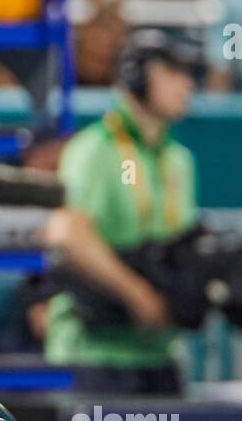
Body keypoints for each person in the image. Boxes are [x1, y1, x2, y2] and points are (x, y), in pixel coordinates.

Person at [42, 31, 201, 395]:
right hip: (93, 356)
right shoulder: (95, 149)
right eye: (173, 73)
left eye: (190, 74)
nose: (187, 85)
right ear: (136, 76)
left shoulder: (179, 160)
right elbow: (69, 232)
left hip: (158, 354)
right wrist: (138, 295)